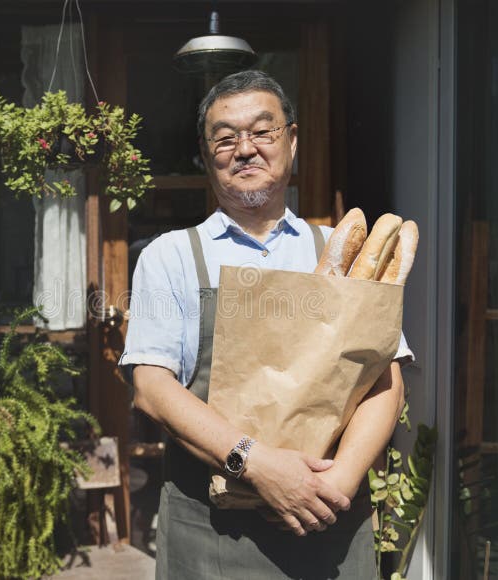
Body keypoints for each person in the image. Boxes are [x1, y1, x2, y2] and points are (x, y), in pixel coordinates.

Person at [119, 70, 414, 579]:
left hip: (329, 525)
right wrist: (257, 464)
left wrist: (337, 484)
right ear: (206, 153)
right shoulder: (170, 257)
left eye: (263, 131)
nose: (245, 149)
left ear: (293, 142)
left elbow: (384, 380)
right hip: (211, 533)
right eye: (226, 137)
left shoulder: (341, 253)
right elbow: (150, 386)